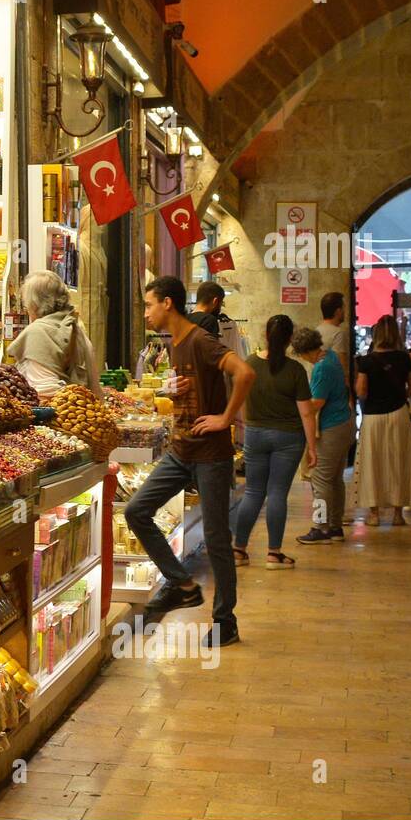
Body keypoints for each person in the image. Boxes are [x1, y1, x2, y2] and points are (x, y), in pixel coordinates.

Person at [124, 276, 255, 647]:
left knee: (216, 539)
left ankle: (224, 621)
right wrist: (176, 388)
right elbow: (196, 385)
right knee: (136, 511)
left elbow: (245, 373)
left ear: (168, 303)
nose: (146, 313)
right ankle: (182, 584)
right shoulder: (177, 344)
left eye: (149, 305)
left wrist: (226, 418)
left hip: (211, 455)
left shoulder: (200, 340)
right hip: (182, 452)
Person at [232, 315, 317, 569]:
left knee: (253, 492)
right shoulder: (295, 370)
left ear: (266, 335)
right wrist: (312, 447)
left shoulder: (250, 364)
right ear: (290, 339)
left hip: (255, 435)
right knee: (278, 493)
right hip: (289, 438)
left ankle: (238, 550)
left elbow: (242, 403)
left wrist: (247, 428)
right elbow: (305, 412)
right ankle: (273, 554)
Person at [355, 315, 411, 526]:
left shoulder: (366, 361)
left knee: (373, 461)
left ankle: (374, 514)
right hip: (398, 413)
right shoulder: (404, 358)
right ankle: (398, 513)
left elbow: (362, 391)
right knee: (398, 461)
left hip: (373, 417)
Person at [293, 327, 355, 545]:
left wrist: (296, 404)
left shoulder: (321, 367)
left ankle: (320, 528)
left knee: (320, 479)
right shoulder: (332, 357)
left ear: (305, 351)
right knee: (335, 479)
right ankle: (335, 526)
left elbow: (316, 404)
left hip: (331, 426)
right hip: (344, 423)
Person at [7, 269, 102, 401]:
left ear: (33, 304)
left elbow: (42, 390)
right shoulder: (74, 326)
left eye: (26, 303)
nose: (27, 309)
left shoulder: (39, 331)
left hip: (56, 416)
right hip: (81, 413)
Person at [188, 280, 248, 360]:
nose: (220, 309)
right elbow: (211, 355)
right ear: (215, 301)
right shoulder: (209, 320)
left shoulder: (185, 318)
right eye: (220, 304)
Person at [316, 291, 351, 387]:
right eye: (343, 308)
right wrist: (348, 395)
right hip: (334, 388)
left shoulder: (316, 331)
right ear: (338, 311)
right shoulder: (339, 333)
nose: (345, 312)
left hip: (319, 385)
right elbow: (341, 366)